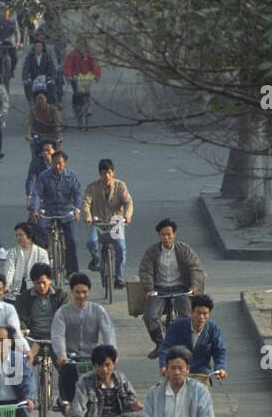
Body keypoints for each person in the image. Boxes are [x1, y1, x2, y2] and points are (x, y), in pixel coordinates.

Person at [139, 218, 206, 358]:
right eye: (163, 235)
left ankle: (187, 344)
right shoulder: (152, 252)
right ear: (159, 236)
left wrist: (194, 286)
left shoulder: (184, 250)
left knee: (188, 317)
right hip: (160, 289)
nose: (166, 238)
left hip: (181, 288)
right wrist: (149, 288)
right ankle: (159, 343)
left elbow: (195, 268)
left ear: (174, 234)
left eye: (169, 234)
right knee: (150, 316)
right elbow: (145, 271)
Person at [51, 273, 115, 407]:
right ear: (72, 292)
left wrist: (111, 355)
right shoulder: (63, 312)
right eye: (77, 292)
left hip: (92, 356)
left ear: (90, 292)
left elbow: (108, 333)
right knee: (68, 371)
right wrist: (62, 355)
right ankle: (68, 402)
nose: (81, 296)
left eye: (84, 292)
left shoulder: (98, 311)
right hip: (70, 357)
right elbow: (58, 335)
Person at [68, 345, 141, 417]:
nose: (104, 369)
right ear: (94, 366)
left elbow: (131, 399)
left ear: (114, 363)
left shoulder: (122, 380)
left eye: (108, 365)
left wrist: (134, 405)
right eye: (99, 365)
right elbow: (79, 405)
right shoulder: (85, 381)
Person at [30, 149, 82, 275]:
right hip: (48, 211)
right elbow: (36, 194)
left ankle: (72, 272)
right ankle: (44, 265)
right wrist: (35, 210)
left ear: (65, 164)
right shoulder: (43, 176)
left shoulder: (71, 177)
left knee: (73, 241)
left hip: (66, 212)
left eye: (60, 163)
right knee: (40, 233)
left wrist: (77, 208)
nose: (57, 166)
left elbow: (77, 193)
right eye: (54, 163)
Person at [83, 160, 133, 286]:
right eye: (104, 173)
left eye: (109, 173)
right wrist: (88, 216)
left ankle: (119, 278)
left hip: (115, 222)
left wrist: (127, 216)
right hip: (98, 222)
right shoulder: (92, 187)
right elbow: (86, 202)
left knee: (121, 248)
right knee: (91, 242)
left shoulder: (120, 186)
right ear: (100, 174)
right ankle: (97, 259)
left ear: (113, 173)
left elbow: (128, 202)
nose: (107, 176)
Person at [159, 294, 228, 379]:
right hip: (179, 373)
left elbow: (219, 351)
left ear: (209, 314)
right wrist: (163, 365)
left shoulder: (212, 329)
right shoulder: (177, 326)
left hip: (202, 374)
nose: (201, 317)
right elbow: (166, 347)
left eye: (205, 313)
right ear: (191, 312)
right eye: (198, 313)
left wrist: (220, 368)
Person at [16, 262, 67, 361]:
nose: (41, 286)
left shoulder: (61, 296)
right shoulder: (24, 297)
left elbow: (66, 316)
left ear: (50, 280)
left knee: (65, 366)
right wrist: (22, 329)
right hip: (34, 339)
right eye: (37, 283)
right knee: (26, 364)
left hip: (55, 339)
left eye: (44, 282)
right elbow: (20, 317)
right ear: (33, 282)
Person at [4, 221, 49, 295]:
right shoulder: (13, 252)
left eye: (21, 235)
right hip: (17, 286)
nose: (18, 238)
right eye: (17, 235)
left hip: (35, 285)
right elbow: (9, 269)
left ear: (29, 236)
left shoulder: (41, 252)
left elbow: (45, 272)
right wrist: (7, 285)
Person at [63, 41, 101, 122]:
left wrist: (97, 75)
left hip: (87, 77)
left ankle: (88, 107)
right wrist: (68, 76)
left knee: (87, 93)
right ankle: (74, 109)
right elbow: (68, 65)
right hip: (75, 76)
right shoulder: (73, 55)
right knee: (76, 94)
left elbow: (95, 65)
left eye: (84, 45)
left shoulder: (90, 54)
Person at [20, 37, 56, 104]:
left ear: (42, 48)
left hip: (45, 78)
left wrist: (52, 78)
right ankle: (31, 102)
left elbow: (52, 68)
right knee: (27, 85)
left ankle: (51, 103)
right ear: (34, 47)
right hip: (33, 79)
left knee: (51, 85)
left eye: (40, 46)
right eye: (36, 46)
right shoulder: (30, 57)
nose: (38, 48)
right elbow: (25, 68)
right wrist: (25, 79)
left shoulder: (47, 57)